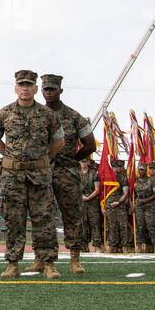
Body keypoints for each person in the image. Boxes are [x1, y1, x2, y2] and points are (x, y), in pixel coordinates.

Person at [0, 69, 65, 278]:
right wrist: (8, 155)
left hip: (39, 175)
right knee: (14, 219)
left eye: (29, 85)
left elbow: (59, 141)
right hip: (13, 177)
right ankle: (13, 263)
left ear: (35, 89)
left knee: (44, 219)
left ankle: (48, 263)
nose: (25, 88)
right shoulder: (5, 113)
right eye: (21, 85)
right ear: (16, 88)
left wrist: (46, 159)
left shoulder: (47, 115)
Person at [40, 74, 96, 273]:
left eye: (52, 89)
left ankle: (75, 259)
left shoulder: (74, 116)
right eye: (45, 89)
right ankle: (43, 260)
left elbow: (91, 144)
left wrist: (73, 158)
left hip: (66, 172)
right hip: (42, 172)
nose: (48, 92)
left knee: (72, 215)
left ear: (60, 91)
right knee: (42, 216)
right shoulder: (35, 114)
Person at [103, 161, 130, 253]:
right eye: (114, 166)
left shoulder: (123, 177)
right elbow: (103, 193)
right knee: (111, 225)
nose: (117, 168)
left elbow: (126, 193)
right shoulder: (107, 177)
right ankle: (112, 245)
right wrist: (103, 205)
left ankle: (124, 245)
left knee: (122, 225)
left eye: (119, 166)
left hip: (120, 204)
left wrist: (118, 202)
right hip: (109, 204)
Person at [79, 158, 102, 251]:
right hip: (81, 201)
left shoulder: (94, 174)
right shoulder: (77, 174)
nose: (83, 164)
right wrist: (81, 196)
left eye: (85, 162)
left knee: (94, 223)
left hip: (92, 202)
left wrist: (88, 197)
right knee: (83, 224)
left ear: (88, 162)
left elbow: (97, 189)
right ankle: (84, 245)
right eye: (82, 162)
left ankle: (97, 245)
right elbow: (75, 187)